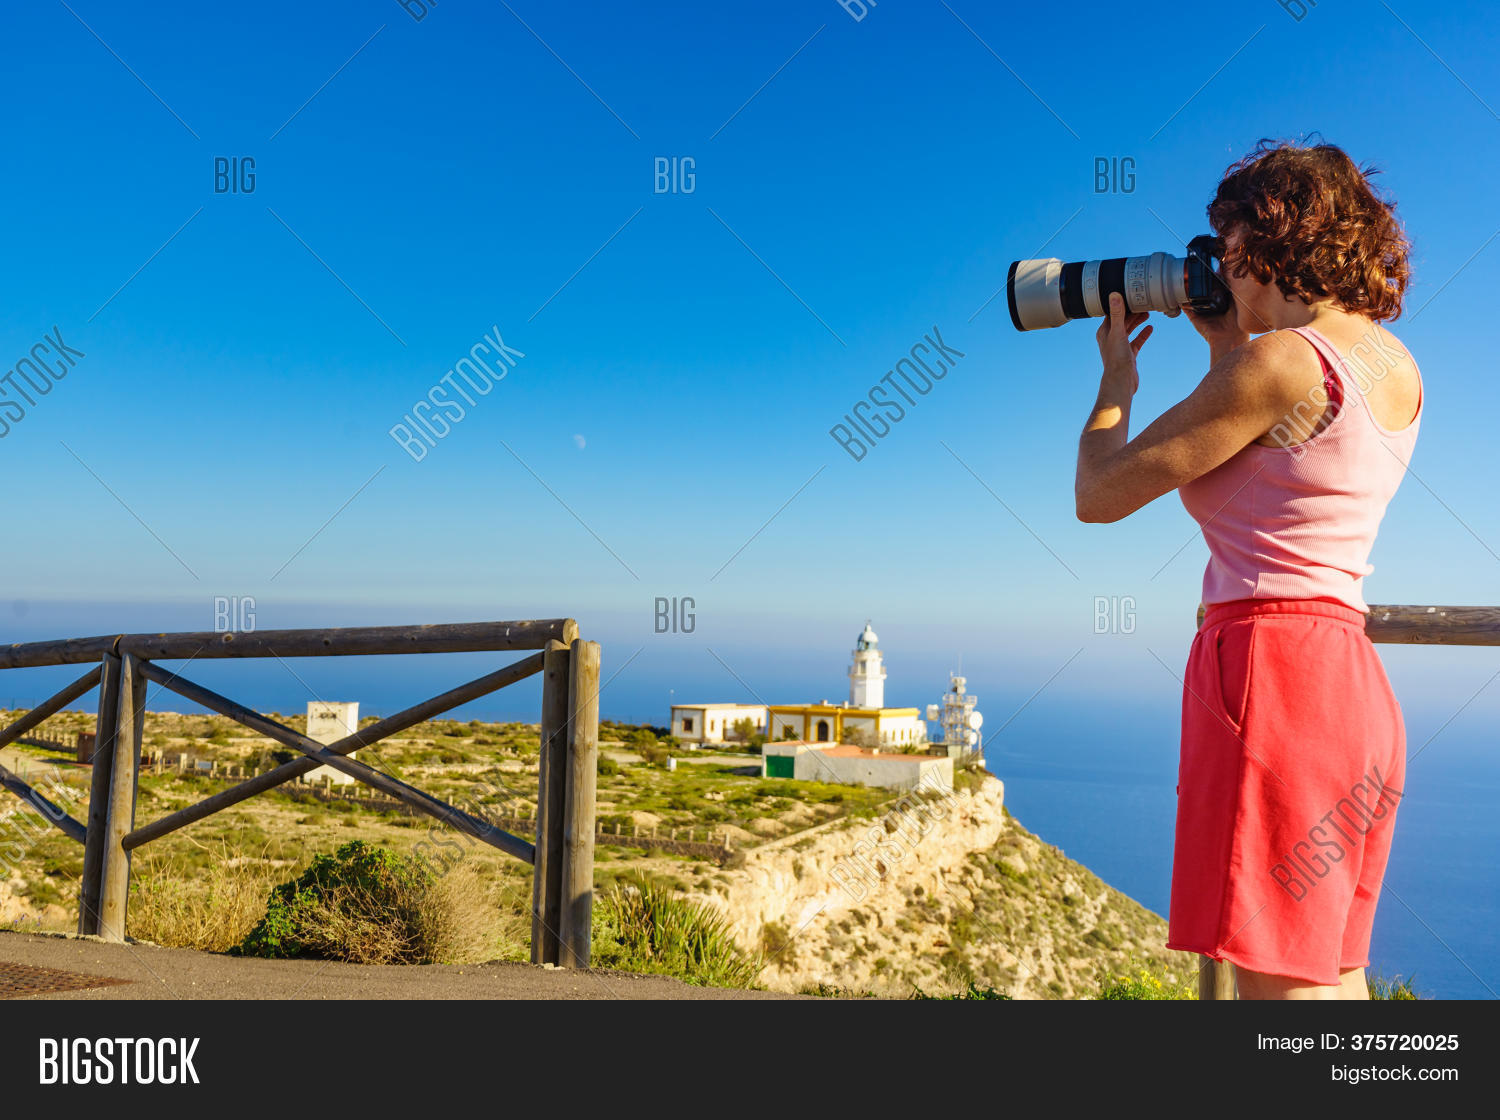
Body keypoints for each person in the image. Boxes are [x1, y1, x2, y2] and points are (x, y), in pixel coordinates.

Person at [1074, 140, 1422, 1000]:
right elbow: (1275, 466)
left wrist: (1116, 380)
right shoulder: (1391, 365)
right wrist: (1227, 350)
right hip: (1351, 683)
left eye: (1229, 247)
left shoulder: (1277, 365)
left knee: (1274, 993)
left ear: (1272, 242)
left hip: (1271, 675)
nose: (1220, 268)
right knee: (1332, 974)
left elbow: (1100, 493)